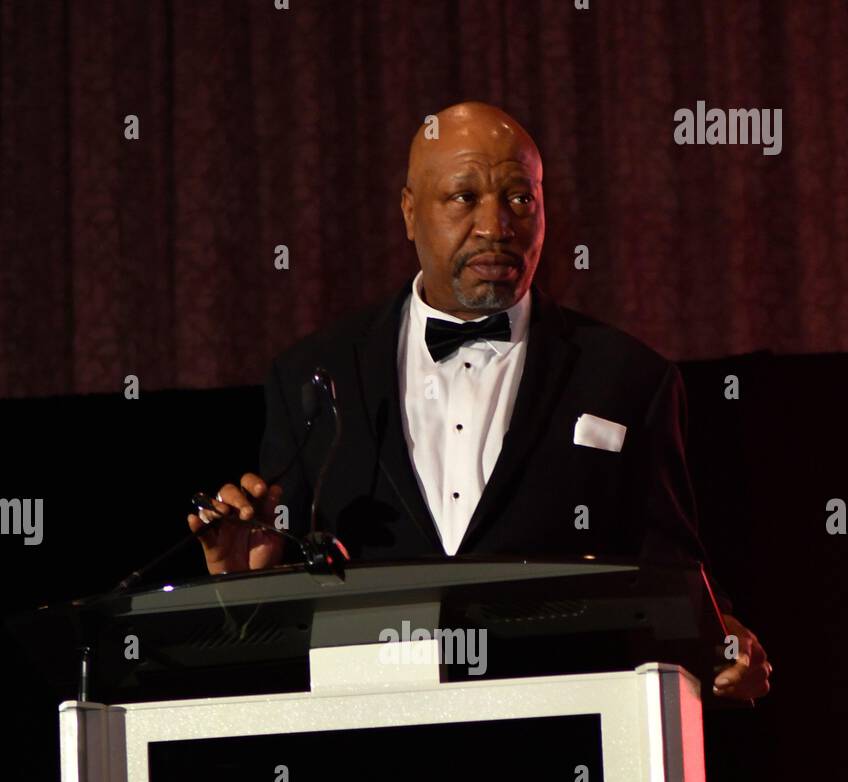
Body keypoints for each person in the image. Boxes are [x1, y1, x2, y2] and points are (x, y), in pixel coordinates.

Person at [188, 101, 770, 701]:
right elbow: (280, 605)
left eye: (520, 199)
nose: (497, 226)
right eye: (464, 198)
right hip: (370, 739)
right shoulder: (312, 374)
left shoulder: (628, 377)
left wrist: (719, 635)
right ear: (410, 213)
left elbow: (669, 571)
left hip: (570, 736)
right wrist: (242, 589)